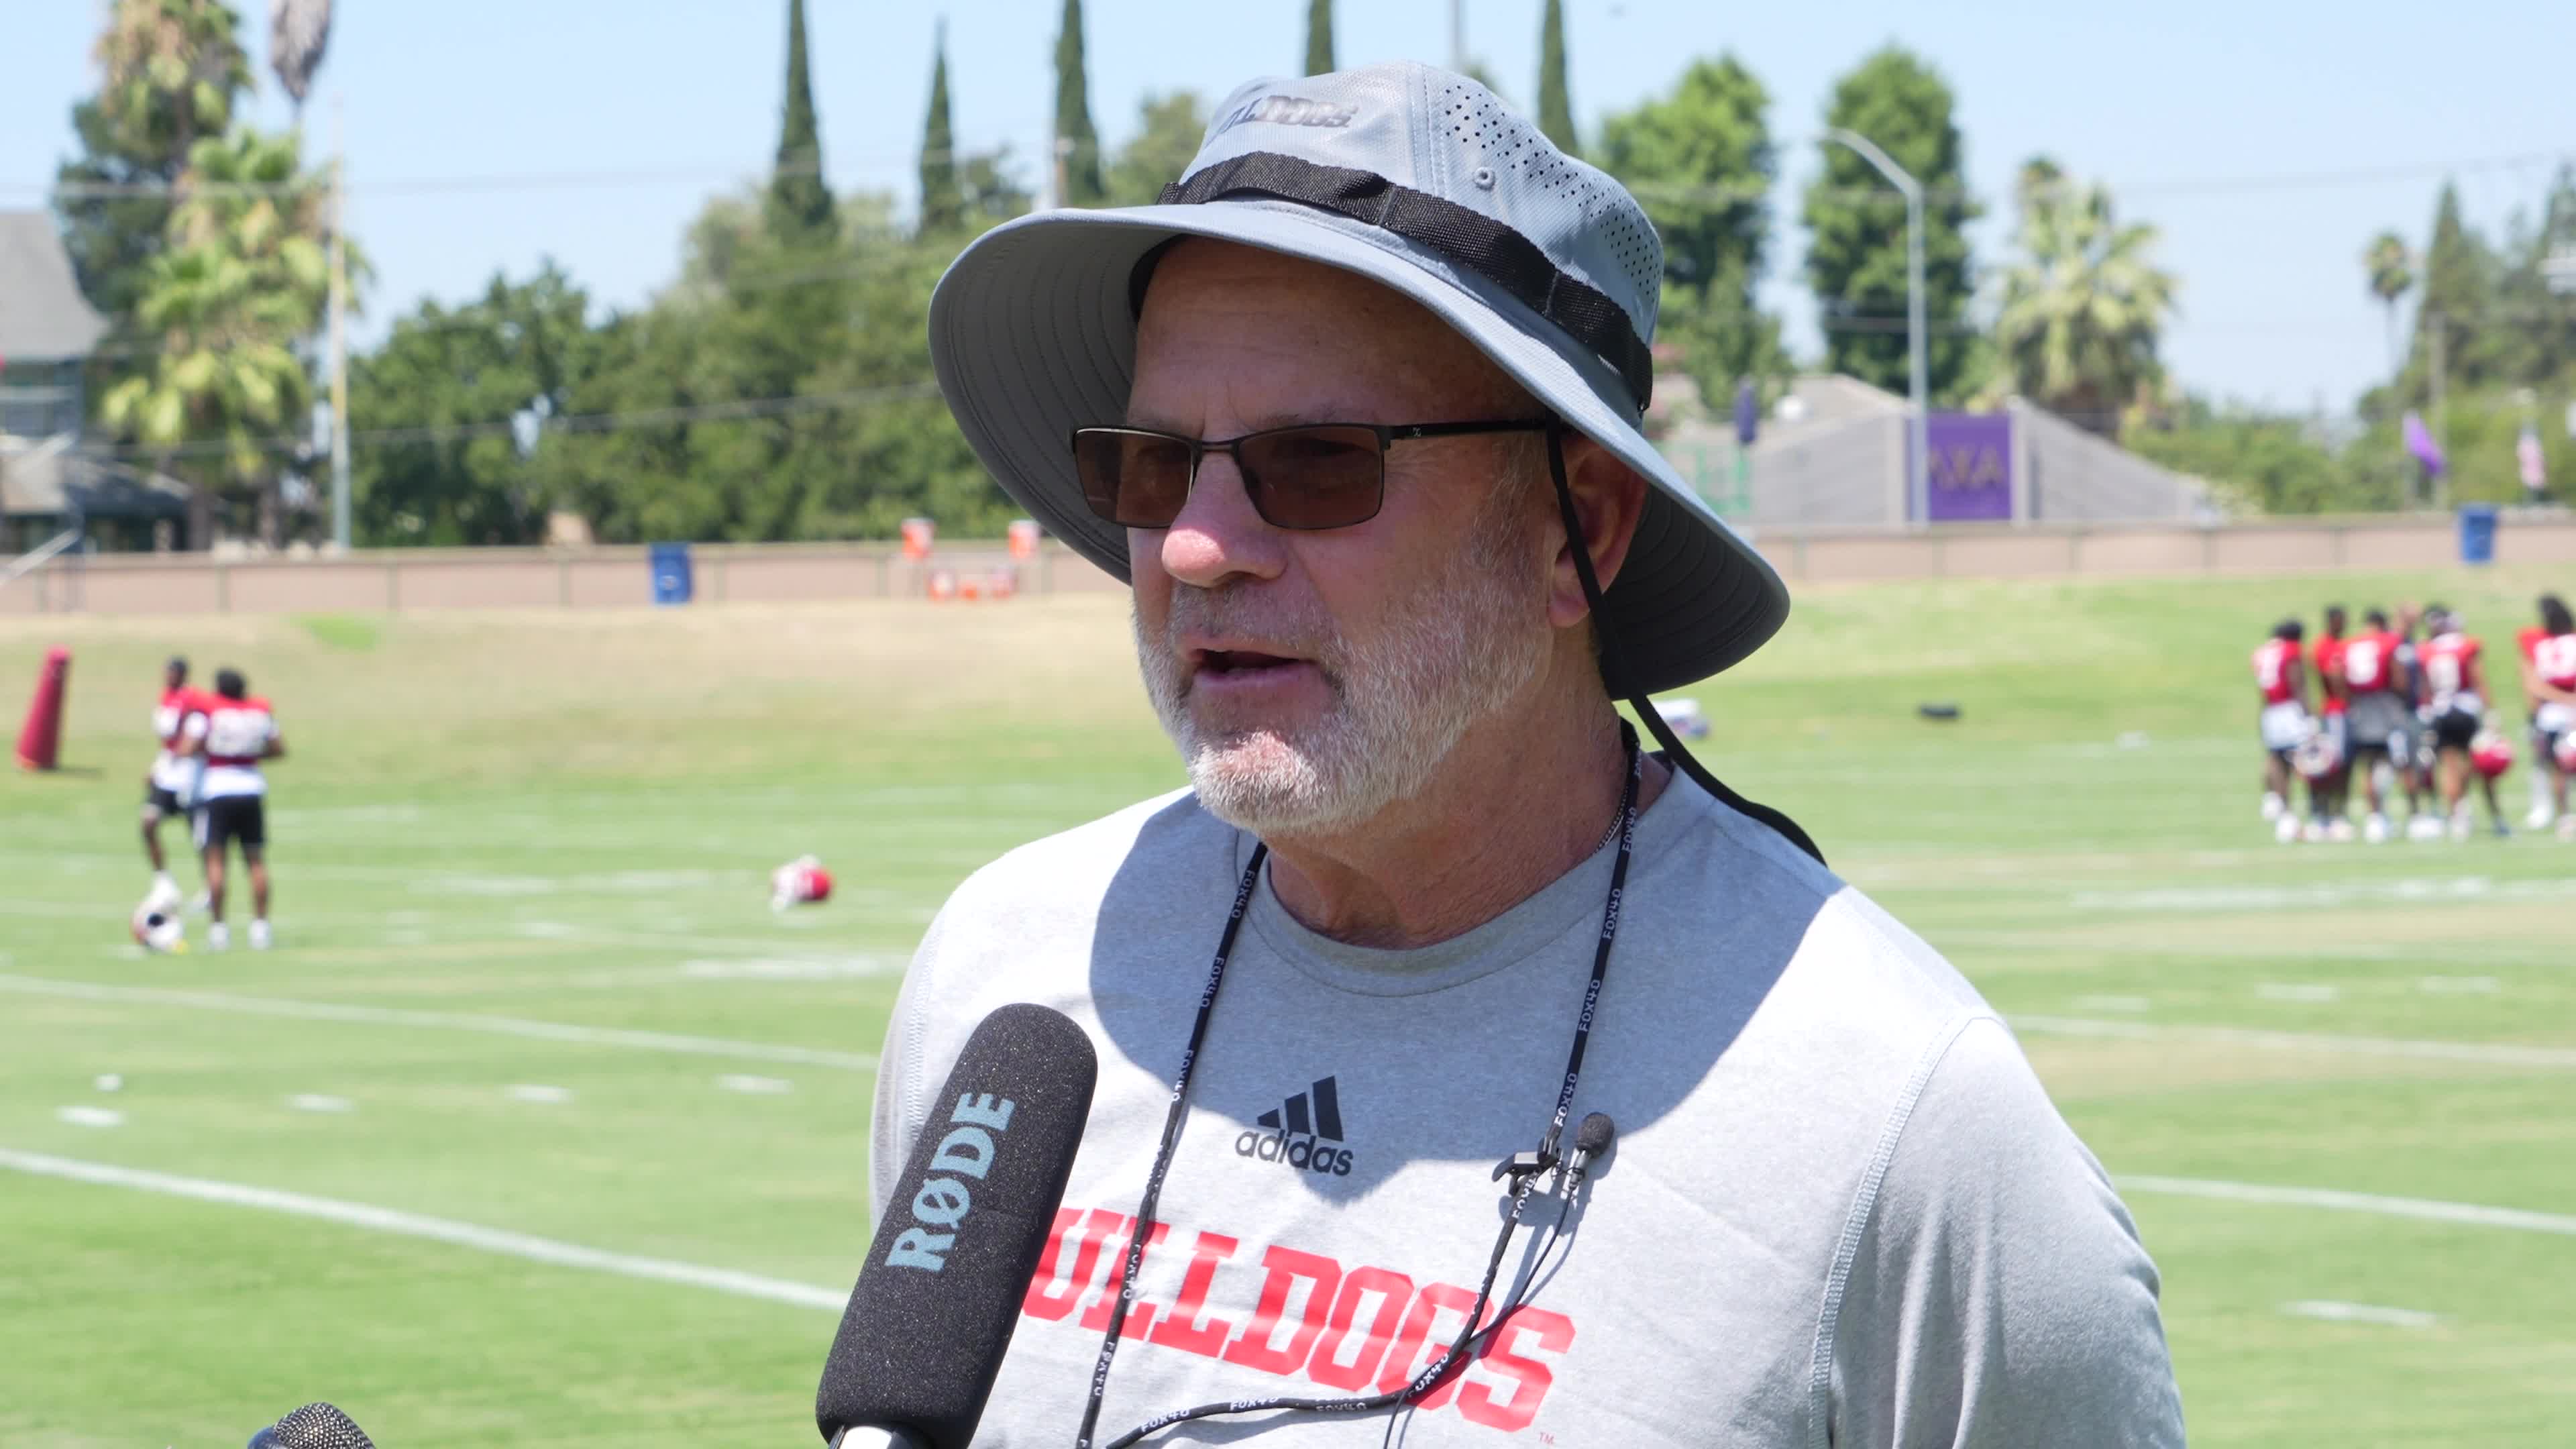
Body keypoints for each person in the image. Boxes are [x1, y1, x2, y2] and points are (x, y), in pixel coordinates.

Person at [876, 64, 2182, 1447]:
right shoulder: (1008, 981)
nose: (1195, 546)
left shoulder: (1902, 1123)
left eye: (1317, 462)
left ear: (1580, 530)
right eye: (1150, 465)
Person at [182, 667, 285, 951]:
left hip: (217, 788)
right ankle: (261, 928)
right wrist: (249, 752)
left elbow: (188, 747)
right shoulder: (259, 712)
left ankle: (218, 929)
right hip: (252, 787)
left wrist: (211, 750)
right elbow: (277, 748)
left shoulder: (209, 712)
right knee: (256, 860)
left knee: (216, 861)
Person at [2417, 607, 2506, 839]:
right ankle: (2496, 817)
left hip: (2440, 711)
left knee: (2449, 767)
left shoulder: (2427, 650)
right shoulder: (2465, 646)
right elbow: (2478, 680)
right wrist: (2491, 713)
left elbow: (2425, 686)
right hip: (2466, 710)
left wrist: (2426, 712)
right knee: (2482, 763)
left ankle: (2458, 817)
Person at [2338, 608, 2412, 843]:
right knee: (2400, 761)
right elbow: (2398, 677)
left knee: (2368, 765)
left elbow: (2338, 674)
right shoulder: (2388, 643)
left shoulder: (2351, 644)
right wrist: (2403, 698)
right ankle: (2415, 814)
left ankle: (2374, 818)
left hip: (2360, 707)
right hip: (2385, 705)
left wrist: (2348, 698)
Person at [139, 655, 205, 912]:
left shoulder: (193, 699)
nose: (167, 676)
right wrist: (158, 766)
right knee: (149, 822)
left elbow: (195, 735)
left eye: (172, 672)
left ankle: (210, 886)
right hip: (168, 771)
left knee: (199, 834)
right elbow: (166, 741)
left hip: (189, 773)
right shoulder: (165, 697)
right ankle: (163, 882)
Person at [2516, 594, 2576, 839]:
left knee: (2556, 768)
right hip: (2563, 712)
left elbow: (2532, 685)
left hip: (2550, 713)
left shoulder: (2536, 642)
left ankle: (2564, 816)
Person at [2252, 618, 2310, 841]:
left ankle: (2275, 801)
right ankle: (2306, 814)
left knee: (2276, 758)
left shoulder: (2263, 653)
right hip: (2289, 710)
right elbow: (2297, 684)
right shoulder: (2291, 651)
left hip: (2270, 709)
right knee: (2302, 760)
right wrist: (2308, 715)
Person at [2308, 603, 2351, 840]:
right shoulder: (2325, 646)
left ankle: (2334, 814)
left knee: (2342, 764)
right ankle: (2328, 814)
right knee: (2332, 764)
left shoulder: (2343, 645)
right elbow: (2334, 678)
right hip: (2335, 712)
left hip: (2341, 713)